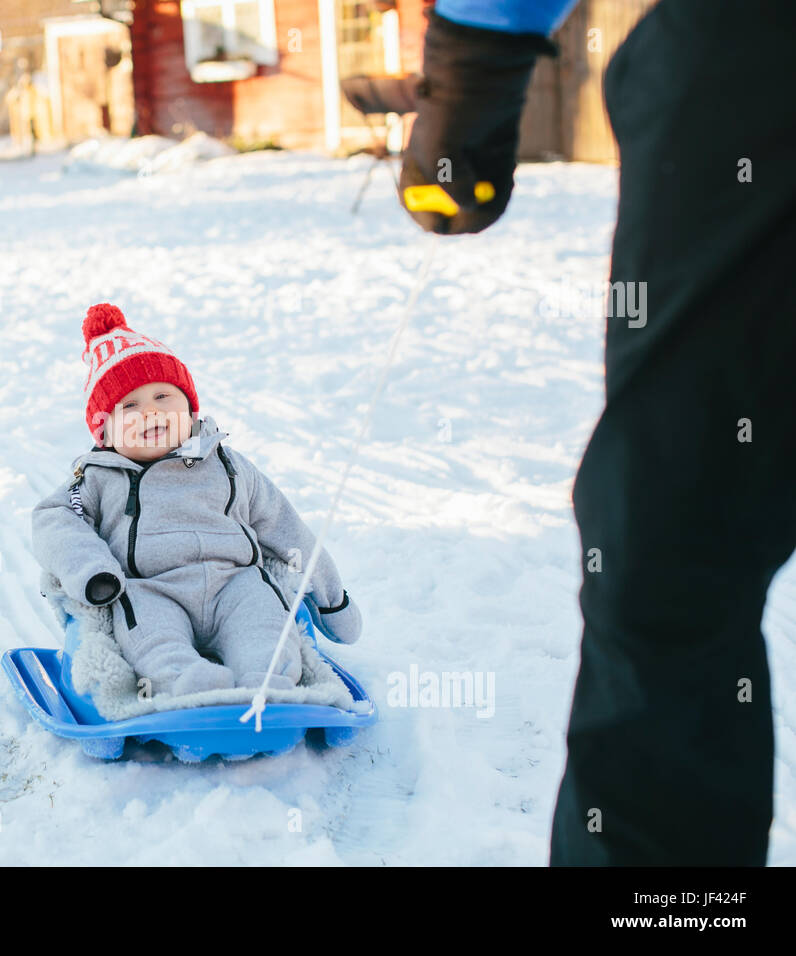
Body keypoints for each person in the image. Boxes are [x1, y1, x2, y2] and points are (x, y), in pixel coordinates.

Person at [399, 0, 796, 864]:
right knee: (674, 531)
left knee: (668, 544)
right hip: (756, 68)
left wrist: (478, 51)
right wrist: (478, 58)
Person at [31, 303, 361, 698]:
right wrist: (92, 570)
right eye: (130, 406)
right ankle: (185, 683)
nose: (150, 411)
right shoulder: (99, 476)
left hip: (235, 584)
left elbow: (284, 525)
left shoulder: (229, 465)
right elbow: (54, 519)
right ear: (105, 431)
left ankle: (268, 682)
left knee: (265, 624)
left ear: (190, 409)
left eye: (163, 396)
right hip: (151, 589)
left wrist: (331, 598)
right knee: (149, 637)